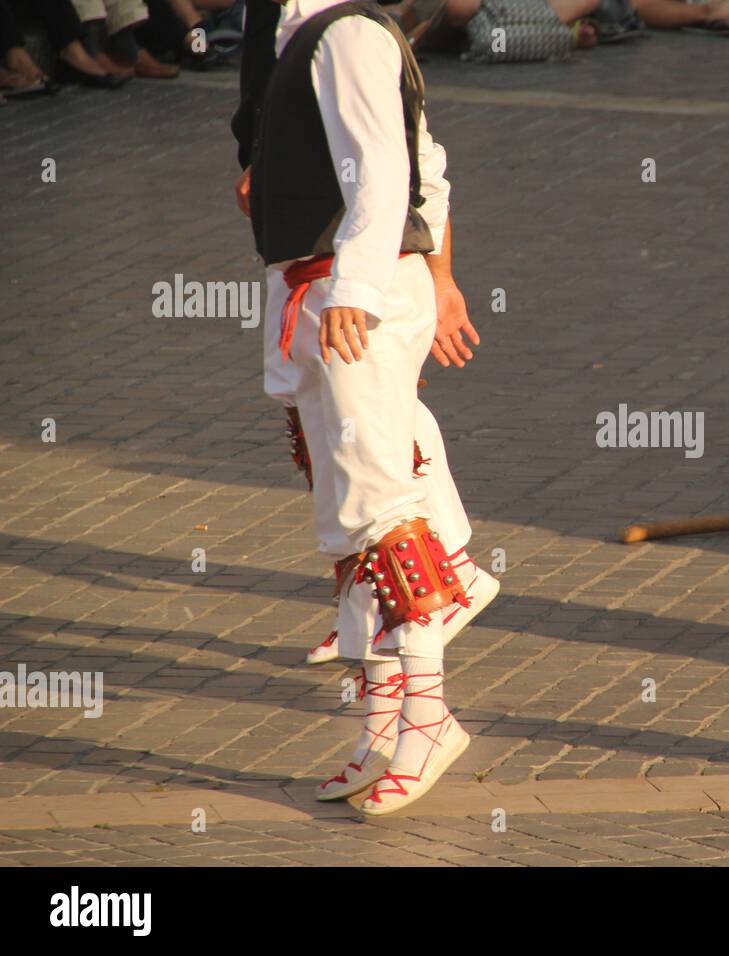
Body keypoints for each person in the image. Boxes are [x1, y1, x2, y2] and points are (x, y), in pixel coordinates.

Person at [247, 0, 489, 815]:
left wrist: (355, 286)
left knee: (384, 513)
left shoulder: (345, 30)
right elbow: (421, 163)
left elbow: (387, 170)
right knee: (350, 516)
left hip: (350, 291)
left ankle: (428, 718)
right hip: (320, 289)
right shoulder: (310, 31)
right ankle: (383, 724)